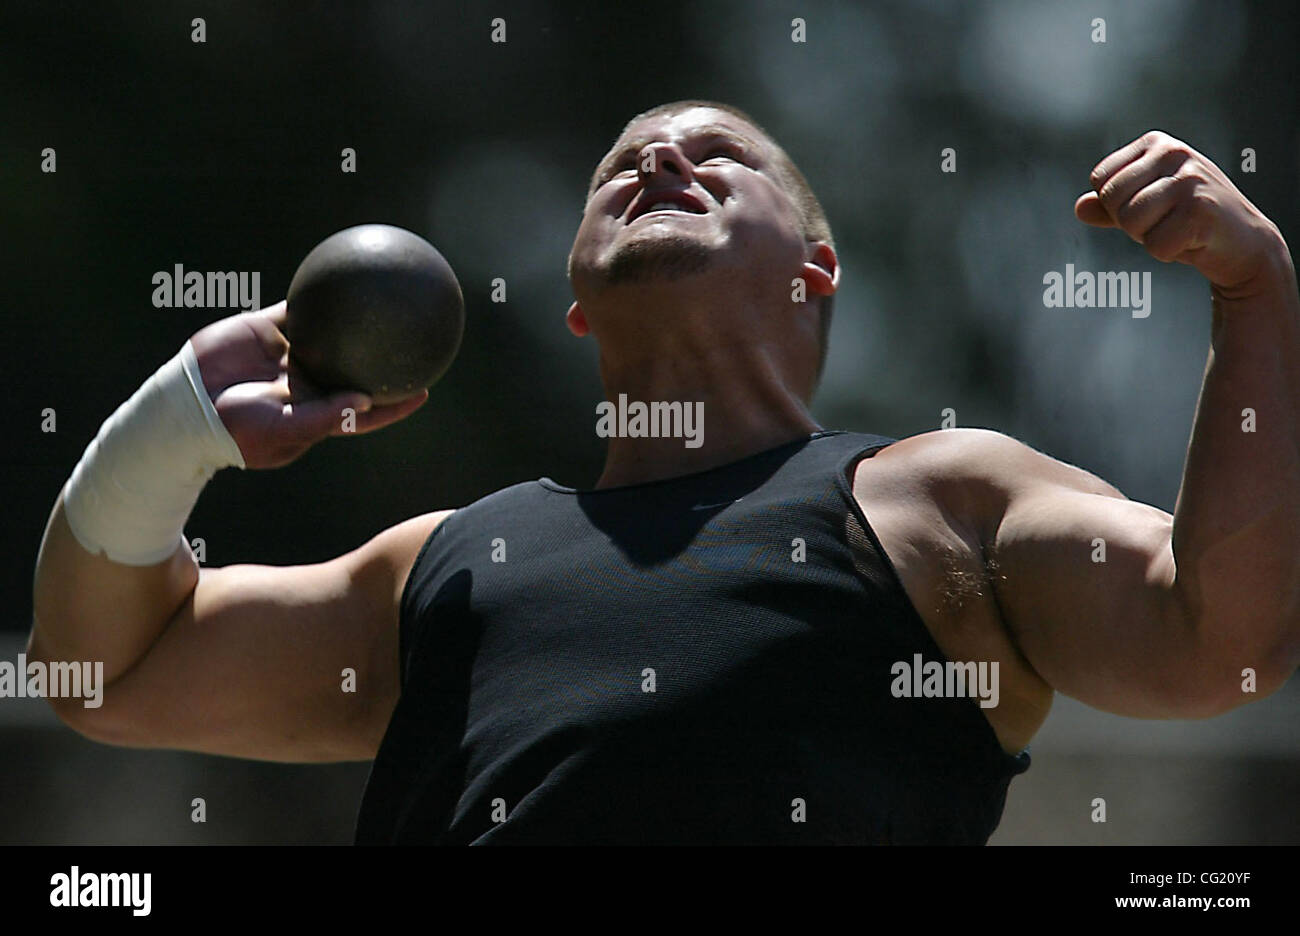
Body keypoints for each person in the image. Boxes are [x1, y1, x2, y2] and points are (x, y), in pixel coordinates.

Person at [30, 101, 1300, 844]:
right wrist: (186, 412)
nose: (657, 164)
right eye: (618, 169)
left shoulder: (937, 501)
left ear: (814, 272)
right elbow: (106, 672)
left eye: (718, 158)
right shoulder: (454, 559)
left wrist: (1255, 295)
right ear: (581, 307)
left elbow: (1218, 641)